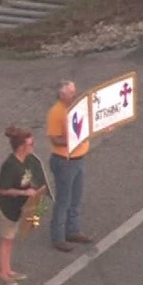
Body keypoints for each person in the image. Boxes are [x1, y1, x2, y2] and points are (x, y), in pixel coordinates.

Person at [45, 80, 95, 252]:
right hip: (64, 161)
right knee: (64, 200)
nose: (75, 95)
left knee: (75, 198)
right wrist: (73, 139)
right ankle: (58, 237)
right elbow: (54, 139)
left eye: (75, 91)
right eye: (71, 93)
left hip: (78, 158)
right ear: (61, 95)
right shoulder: (56, 113)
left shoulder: (76, 108)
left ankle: (72, 230)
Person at [0, 125, 46, 285]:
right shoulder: (10, 165)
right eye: (31, 144)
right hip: (7, 208)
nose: (33, 146)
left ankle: (8, 270)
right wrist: (24, 193)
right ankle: (4, 272)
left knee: (10, 239)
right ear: (22, 147)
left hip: (18, 207)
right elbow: (3, 190)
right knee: (7, 240)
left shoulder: (27, 160)